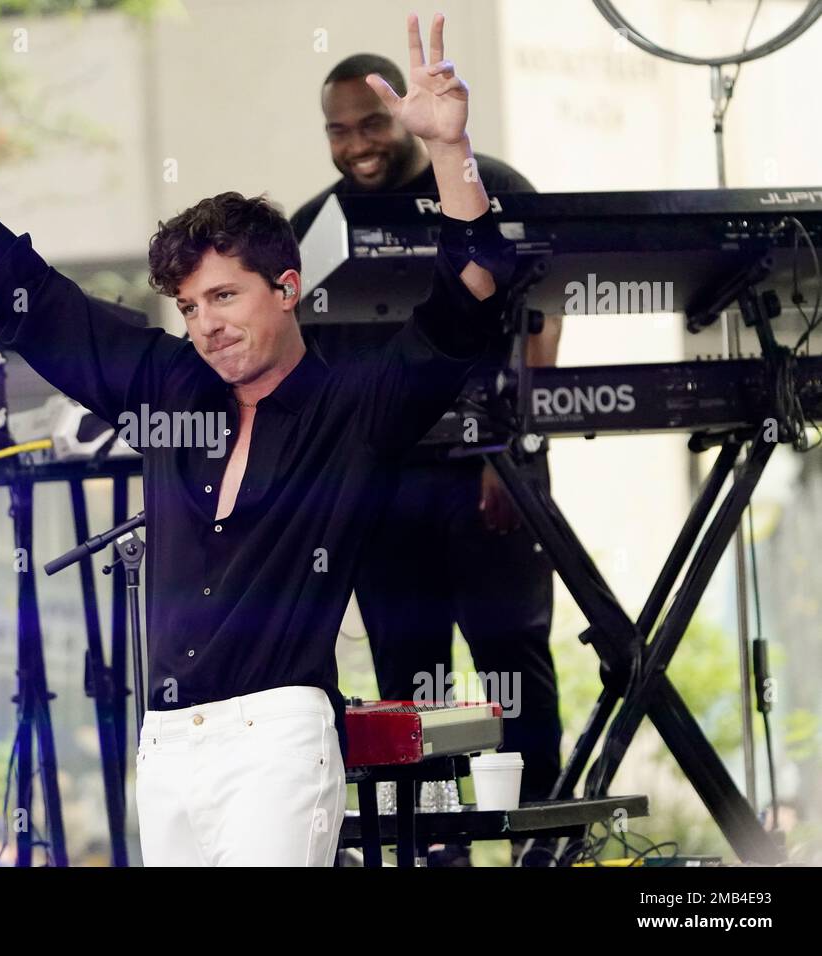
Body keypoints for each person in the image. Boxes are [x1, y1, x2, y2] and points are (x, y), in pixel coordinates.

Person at [0, 12, 517, 867]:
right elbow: (32, 298)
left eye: (224, 298)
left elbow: (474, 296)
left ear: (287, 288)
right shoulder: (168, 385)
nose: (206, 325)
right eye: (189, 307)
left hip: (279, 736)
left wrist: (451, 153)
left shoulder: (355, 402)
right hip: (167, 746)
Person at [291, 53, 564, 865]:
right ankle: (436, 848)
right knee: (410, 675)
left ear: (400, 114)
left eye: (371, 124)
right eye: (339, 132)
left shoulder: (495, 184)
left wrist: (508, 448)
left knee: (510, 653)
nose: (357, 145)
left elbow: (542, 324)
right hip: (385, 485)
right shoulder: (314, 227)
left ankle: (535, 842)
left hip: (491, 466)